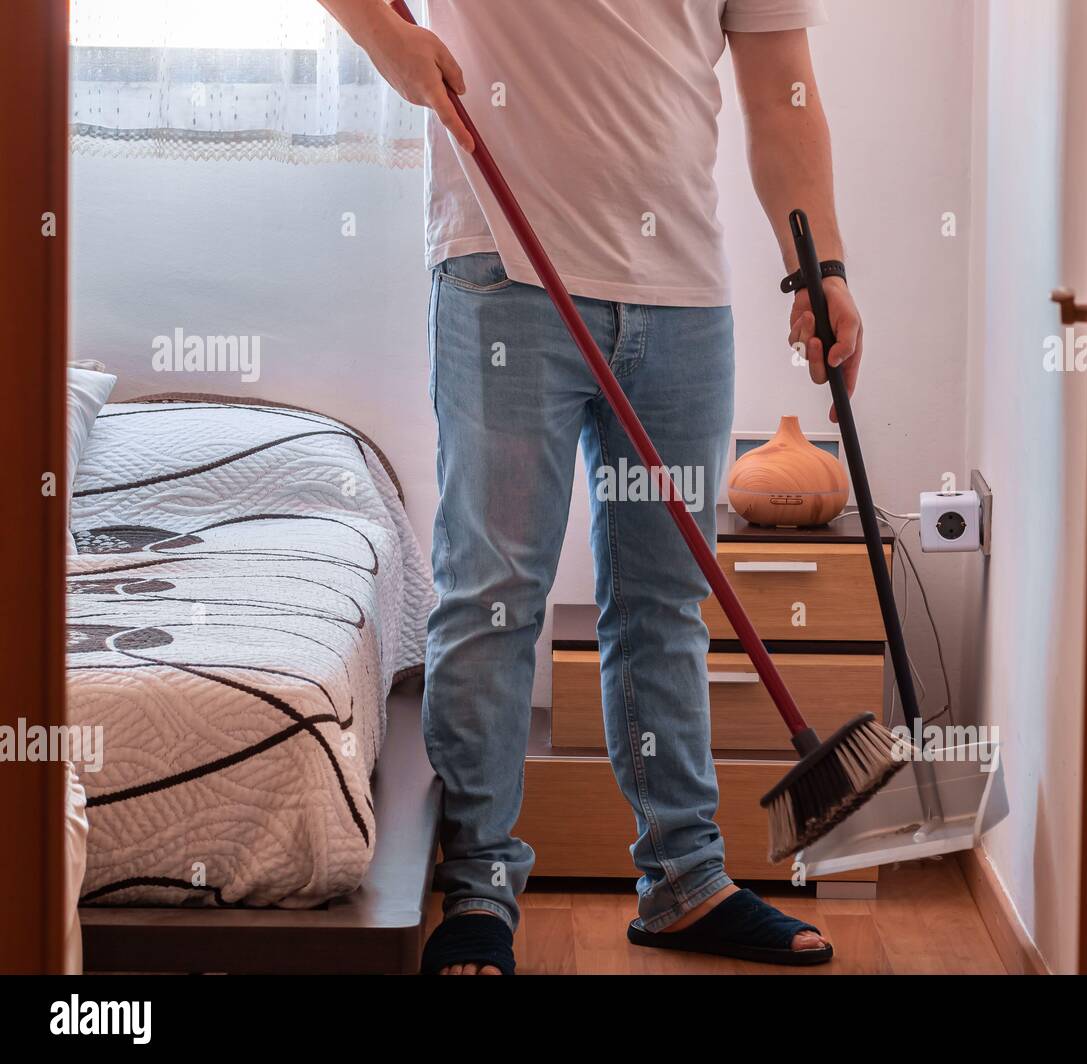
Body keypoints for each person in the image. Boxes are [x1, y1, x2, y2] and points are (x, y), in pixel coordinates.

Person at [319, 0, 863, 975]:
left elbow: (783, 93)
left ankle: (684, 880)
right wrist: (385, 37)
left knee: (664, 603)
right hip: (503, 270)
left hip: (685, 292)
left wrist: (817, 269)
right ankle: (478, 888)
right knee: (492, 596)